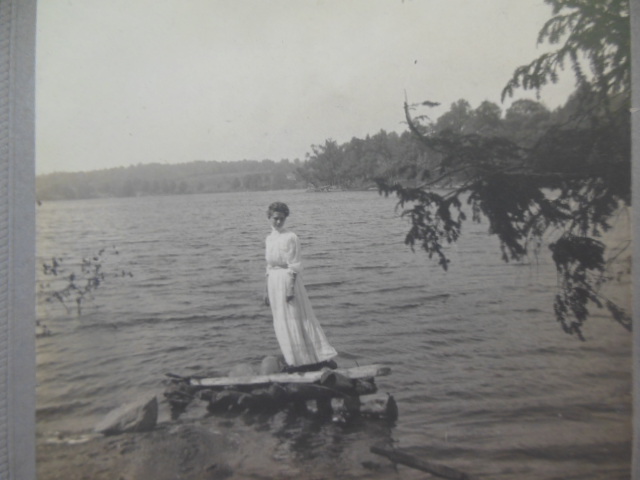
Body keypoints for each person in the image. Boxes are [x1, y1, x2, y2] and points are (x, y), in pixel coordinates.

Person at [264, 202, 338, 372]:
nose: (278, 222)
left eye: (281, 219)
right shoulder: (269, 239)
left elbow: (294, 265)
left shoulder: (291, 237)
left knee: (296, 318)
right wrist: (265, 290)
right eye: (275, 218)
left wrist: (290, 288)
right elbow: (268, 267)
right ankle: (293, 359)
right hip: (273, 282)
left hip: (287, 280)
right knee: (281, 320)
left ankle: (313, 357)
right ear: (269, 217)